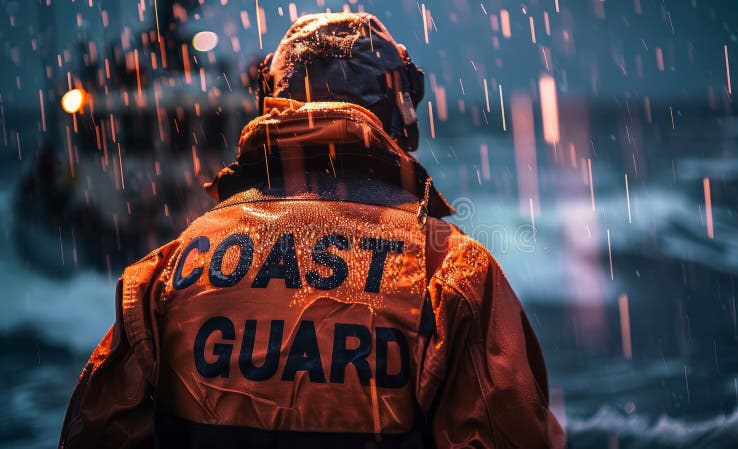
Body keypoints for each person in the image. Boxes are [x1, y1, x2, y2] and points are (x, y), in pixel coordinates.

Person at [60, 12, 565, 449]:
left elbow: (97, 431)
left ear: (271, 106)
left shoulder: (168, 271)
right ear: (400, 113)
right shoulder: (450, 271)